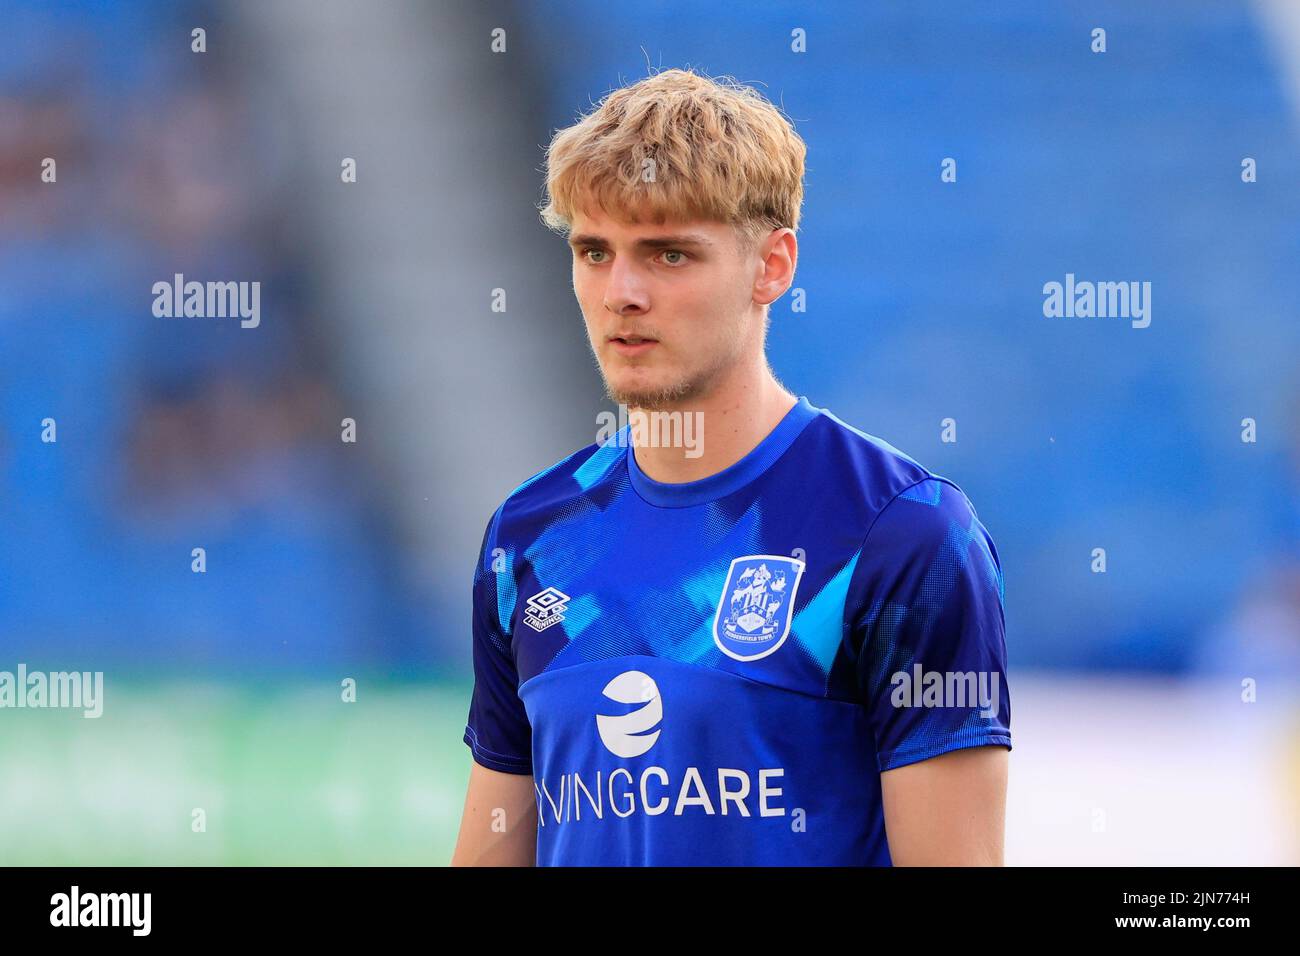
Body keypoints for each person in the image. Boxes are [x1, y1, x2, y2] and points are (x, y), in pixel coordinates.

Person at [451, 68, 1010, 866]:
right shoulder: (532, 536)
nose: (623, 292)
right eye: (595, 251)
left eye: (669, 254)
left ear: (772, 266)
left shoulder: (900, 534)